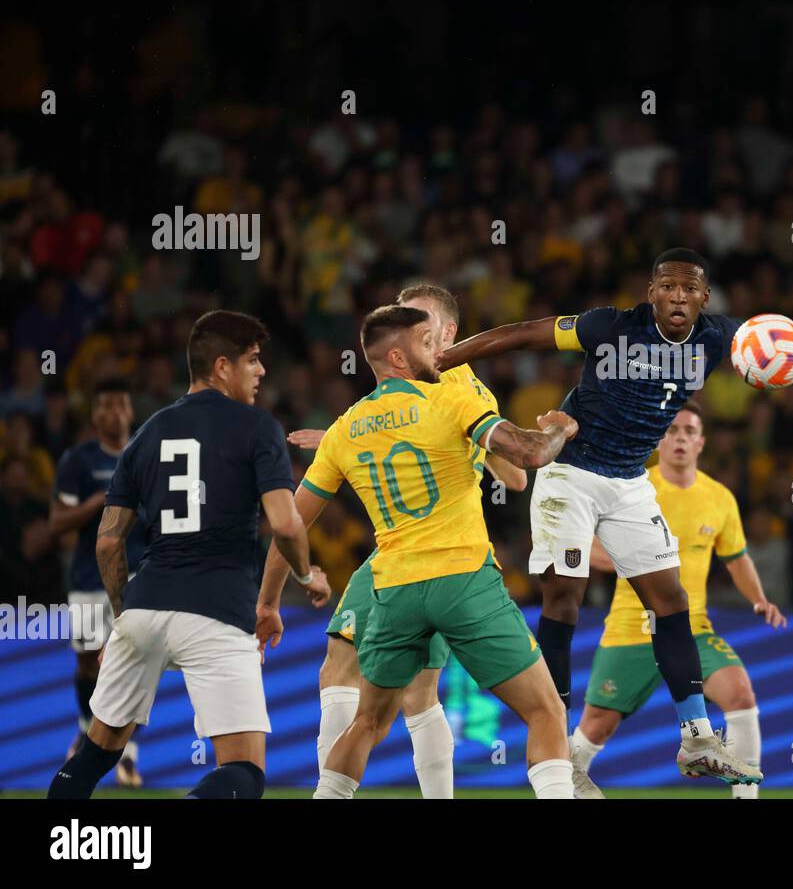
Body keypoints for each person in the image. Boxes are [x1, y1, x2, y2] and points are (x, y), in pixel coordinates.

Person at [436, 247, 793, 788]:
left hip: (630, 483)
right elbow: (522, 332)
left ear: (704, 297)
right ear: (651, 291)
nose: (678, 297)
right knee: (565, 597)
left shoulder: (715, 335)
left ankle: (698, 738)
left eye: (690, 289)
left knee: (671, 599)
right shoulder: (608, 325)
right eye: (668, 286)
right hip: (571, 473)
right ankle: (557, 750)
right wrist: (447, 359)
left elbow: (763, 343)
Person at [263, 304, 577, 798]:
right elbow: (528, 457)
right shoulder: (452, 402)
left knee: (367, 723)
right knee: (546, 711)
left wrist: (268, 601)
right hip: (463, 580)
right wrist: (560, 427)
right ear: (399, 356)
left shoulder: (346, 427)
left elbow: (290, 524)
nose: (440, 352)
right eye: (427, 343)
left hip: (393, 591)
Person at [48, 310, 328, 799]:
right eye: (253, 360)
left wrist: (122, 611)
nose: (262, 372)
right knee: (244, 772)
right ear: (222, 366)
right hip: (218, 612)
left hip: (144, 606)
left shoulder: (147, 434)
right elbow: (285, 523)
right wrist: (307, 576)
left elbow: (108, 540)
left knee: (94, 755)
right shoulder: (258, 429)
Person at [573, 403, 786, 798]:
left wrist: (759, 599)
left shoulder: (719, 498)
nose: (680, 439)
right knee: (596, 725)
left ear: (701, 443)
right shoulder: (632, 488)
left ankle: (746, 797)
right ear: (659, 441)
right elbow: (585, 544)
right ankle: (559, 785)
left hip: (693, 629)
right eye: (672, 431)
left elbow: (736, 558)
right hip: (631, 629)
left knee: (740, 694)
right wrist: (632, 558)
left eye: (689, 431)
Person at [49, 377, 148, 785]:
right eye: (105, 405)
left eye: (120, 404)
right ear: (94, 414)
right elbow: (57, 523)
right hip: (89, 576)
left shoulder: (146, 455)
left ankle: (127, 754)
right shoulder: (78, 460)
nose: (113, 413)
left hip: (139, 576)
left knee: (136, 664)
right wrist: (99, 503)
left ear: (130, 411)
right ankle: (88, 728)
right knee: (91, 660)